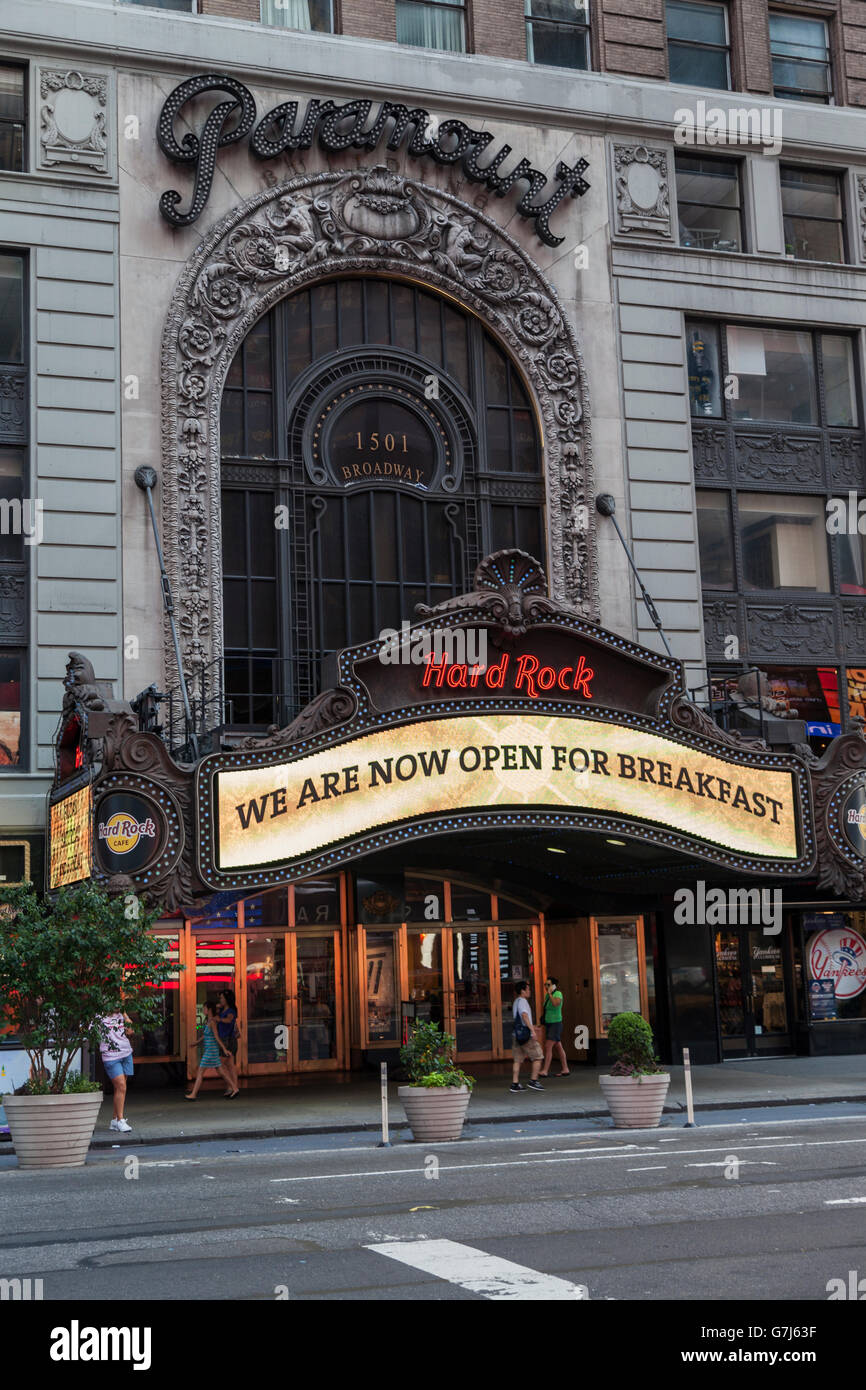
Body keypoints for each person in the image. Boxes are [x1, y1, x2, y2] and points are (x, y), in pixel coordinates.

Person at [185, 999, 237, 1099]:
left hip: (211, 1051)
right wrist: (196, 1043)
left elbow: (216, 1037)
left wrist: (224, 1049)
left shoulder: (212, 1021)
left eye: (204, 1008)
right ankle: (235, 1088)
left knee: (200, 1071)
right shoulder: (209, 1021)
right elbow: (206, 1036)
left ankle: (193, 1094)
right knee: (220, 1071)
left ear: (209, 1010)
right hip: (211, 1050)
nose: (203, 1010)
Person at [99, 1007, 135, 1133]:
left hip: (126, 1052)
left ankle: (114, 1120)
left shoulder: (120, 1016)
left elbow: (130, 1032)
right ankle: (120, 1120)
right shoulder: (100, 1017)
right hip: (111, 1055)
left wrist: (125, 1014)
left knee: (119, 1088)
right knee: (121, 1086)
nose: (119, 1005)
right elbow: (88, 1031)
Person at [510, 981, 544, 1093]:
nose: (529, 991)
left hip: (517, 1034)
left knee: (517, 1059)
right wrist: (532, 1030)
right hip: (526, 1036)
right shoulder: (523, 1001)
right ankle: (533, 1080)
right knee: (538, 1056)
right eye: (528, 989)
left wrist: (532, 1026)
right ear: (522, 991)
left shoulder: (516, 1002)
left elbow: (519, 1019)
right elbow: (524, 1016)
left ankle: (515, 1083)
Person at [539, 975, 569, 1078]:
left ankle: (545, 1070)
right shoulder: (547, 996)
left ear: (554, 985)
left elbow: (556, 1004)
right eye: (545, 984)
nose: (546, 986)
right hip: (549, 1023)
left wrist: (550, 993)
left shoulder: (558, 994)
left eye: (548, 984)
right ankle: (565, 1069)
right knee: (558, 1046)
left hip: (556, 1023)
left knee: (548, 1046)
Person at [216, 989, 241, 1096]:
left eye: (222, 998)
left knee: (220, 1065)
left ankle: (232, 1087)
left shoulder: (230, 1011)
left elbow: (229, 1020)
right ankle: (233, 1087)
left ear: (227, 999)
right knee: (230, 1065)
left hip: (228, 1040)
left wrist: (219, 1019)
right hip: (227, 1039)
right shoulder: (222, 1010)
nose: (220, 1000)